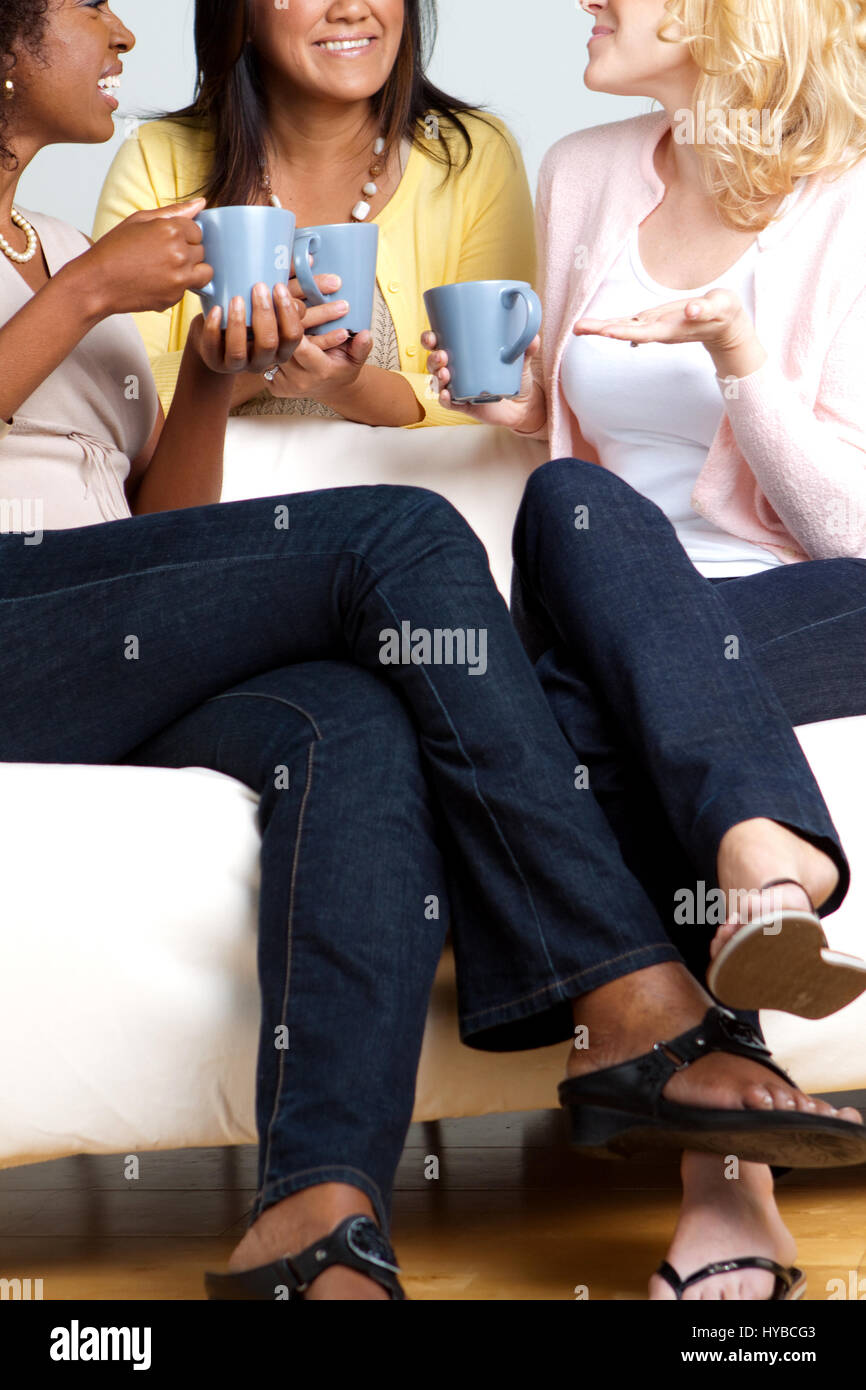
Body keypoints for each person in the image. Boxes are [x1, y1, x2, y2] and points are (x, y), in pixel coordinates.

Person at [3, 0, 865, 1306]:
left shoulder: (61, 239)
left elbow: (161, 535)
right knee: (404, 539)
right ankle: (629, 1005)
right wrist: (86, 295)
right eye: (81, 7)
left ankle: (316, 1209)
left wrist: (214, 384)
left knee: (353, 717)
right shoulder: (86, 265)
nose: (121, 29)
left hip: (98, 628)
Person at [426, 0, 866, 1301]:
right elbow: (570, 455)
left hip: (806, 605)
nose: (588, 4)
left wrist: (739, 359)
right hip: (606, 597)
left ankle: (719, 1161)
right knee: (573, 508)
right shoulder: (584, 169)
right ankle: (760, 874)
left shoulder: (846, 192)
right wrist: (517, 407)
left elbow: (845, 529)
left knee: (601, 709)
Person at [93, 0, 535, 430]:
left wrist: (351, 387)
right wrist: (252, 364)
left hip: (414, 501)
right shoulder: (157, 157)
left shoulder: (471, 155)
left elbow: (495, 402)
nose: (352, 9)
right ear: (239, 14)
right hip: (223, 504)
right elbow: (111, 401)